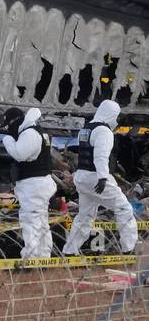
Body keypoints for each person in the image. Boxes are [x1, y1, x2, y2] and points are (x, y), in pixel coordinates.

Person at [63, 99, 138, 255]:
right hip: (96, 177)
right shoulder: (104, 131)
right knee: (124, 209)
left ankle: (70, 251)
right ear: (109, 114)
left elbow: (84, 153)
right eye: (115, 116)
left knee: (84, 216)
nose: (116, 121)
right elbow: (100, 156)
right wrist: (103, 177)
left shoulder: (86, 128)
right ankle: (129, 249)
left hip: (82, 177)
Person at [1, 106, 57, 260]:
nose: (7, 129)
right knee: (41, 222)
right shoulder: (37, 131)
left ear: (14, 121)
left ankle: (30, 258)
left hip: (34, 185)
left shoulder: (29, 133)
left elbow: (19, 154)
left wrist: (7, 140)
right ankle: (43, 257)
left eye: (7, 126)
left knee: (30, 222)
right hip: (39, 183)